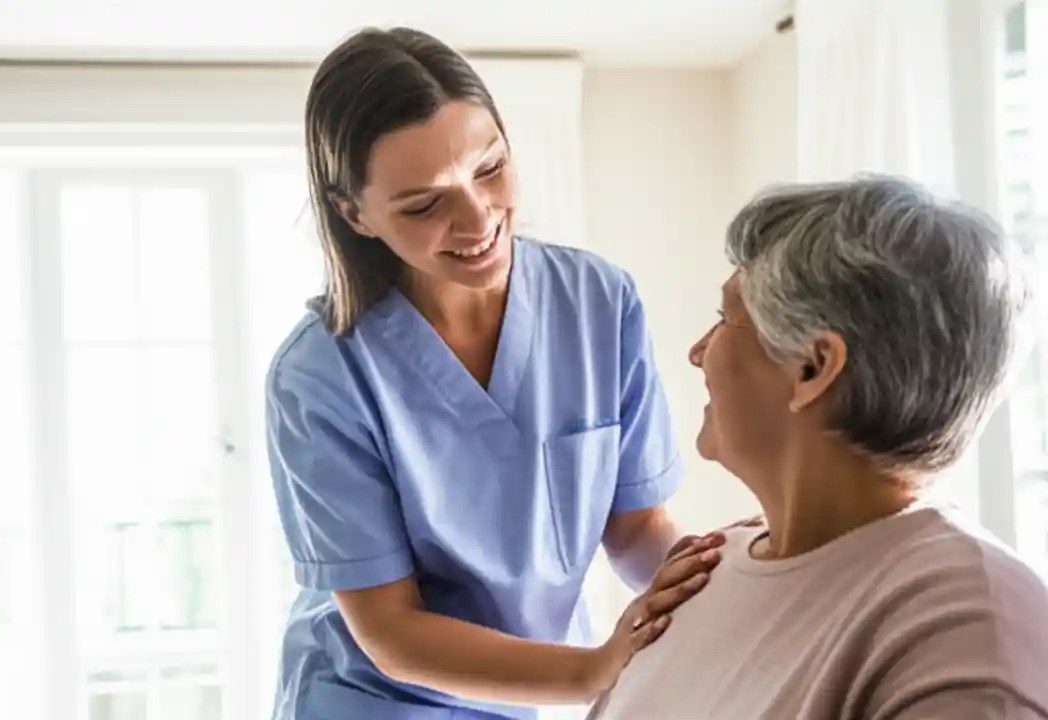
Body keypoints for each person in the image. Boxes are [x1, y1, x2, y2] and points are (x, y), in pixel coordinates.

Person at [266, 27, 722, 720]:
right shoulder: (320, 377)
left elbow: (634, 532)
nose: (478, 219)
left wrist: (738, 589)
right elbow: (392, 631)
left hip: (524, 696)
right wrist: (594, 671)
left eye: (490, 169)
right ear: (352, 212)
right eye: (424, 204)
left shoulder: (599, 302)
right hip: (373, 701)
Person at [589, 176, 1048, 720]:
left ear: (813, 367)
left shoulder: (965, 620)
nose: (697, 353)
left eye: (724, 321)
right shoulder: (702, 571)